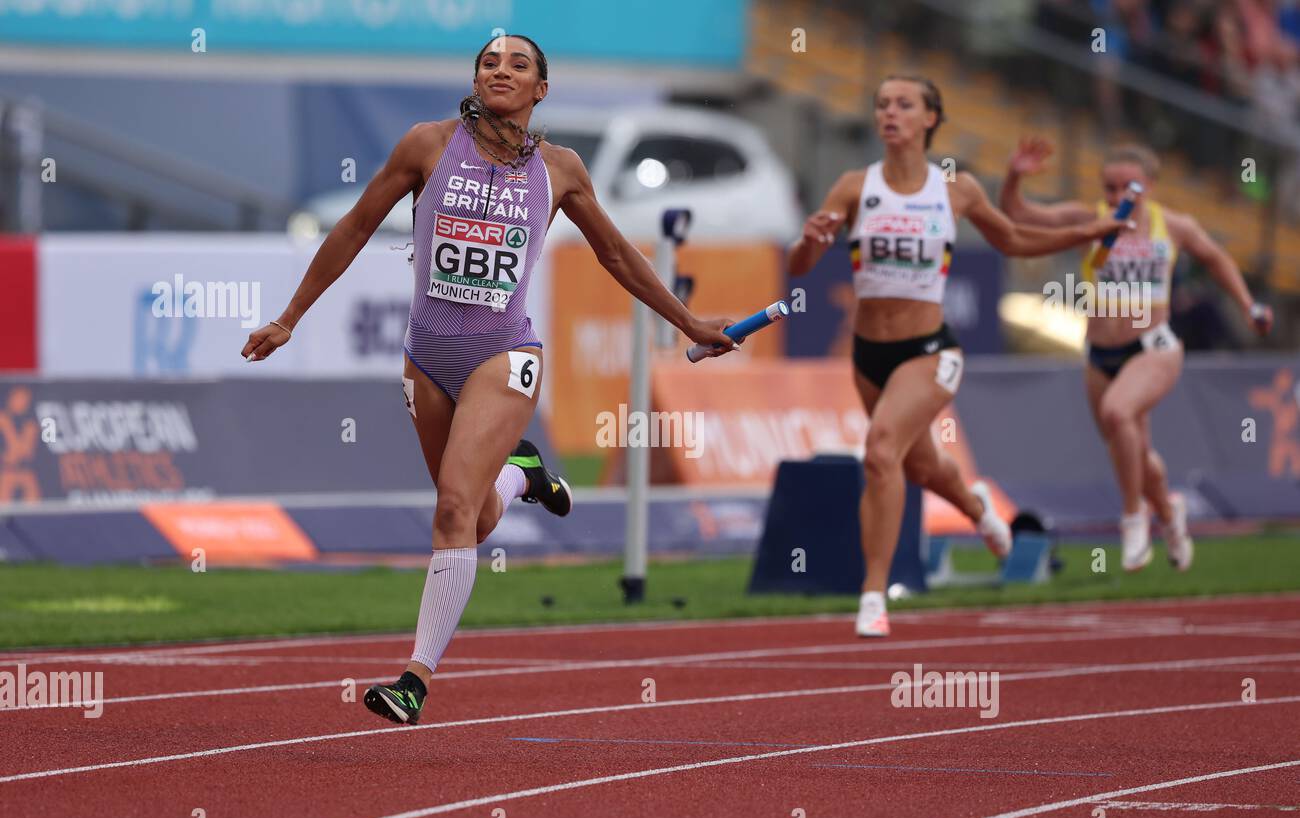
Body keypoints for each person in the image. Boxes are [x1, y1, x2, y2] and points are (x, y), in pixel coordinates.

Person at [240, 34, 734, 723]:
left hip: (505, 355)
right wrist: (291, 316)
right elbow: (355, 226)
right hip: (426, 357)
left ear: (541, 90)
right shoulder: (426, 144)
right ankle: (522, 474)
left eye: (518, 65)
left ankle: (414, 680)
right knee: (474, 517)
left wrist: (687, 323)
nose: (501, 71)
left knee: (448, 509)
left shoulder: (561, 170)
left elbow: (617, 255)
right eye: (489, 63)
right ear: (475, 79)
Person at [789, 76, 1131, 638]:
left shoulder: (956, 189)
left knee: (880, 453)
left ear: (930, 119)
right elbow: (801, 267)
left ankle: (872, 594)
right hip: (869, 352)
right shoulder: (855, 186)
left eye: (904, 104)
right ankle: (982, 513)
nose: (889, 113)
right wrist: (808, 240)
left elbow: (1015, 240)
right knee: (920, 466)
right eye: (882, 105)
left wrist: (1089, 230)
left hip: (931, 349)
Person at [1000, 137, 1273, 571]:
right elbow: (1018, 214)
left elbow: (1216, 258)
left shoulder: (1172, 225)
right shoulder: (1088, 219)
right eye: (1109, 187)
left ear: (1149, 186)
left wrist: (1248, 305)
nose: (1117, 197)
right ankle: (1170, 512)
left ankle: (1133, 520)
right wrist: (1015, 175)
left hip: (1154, 347)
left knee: (1117, 413)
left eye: (1128, 188)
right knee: (1134, 452)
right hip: (1099, 355)